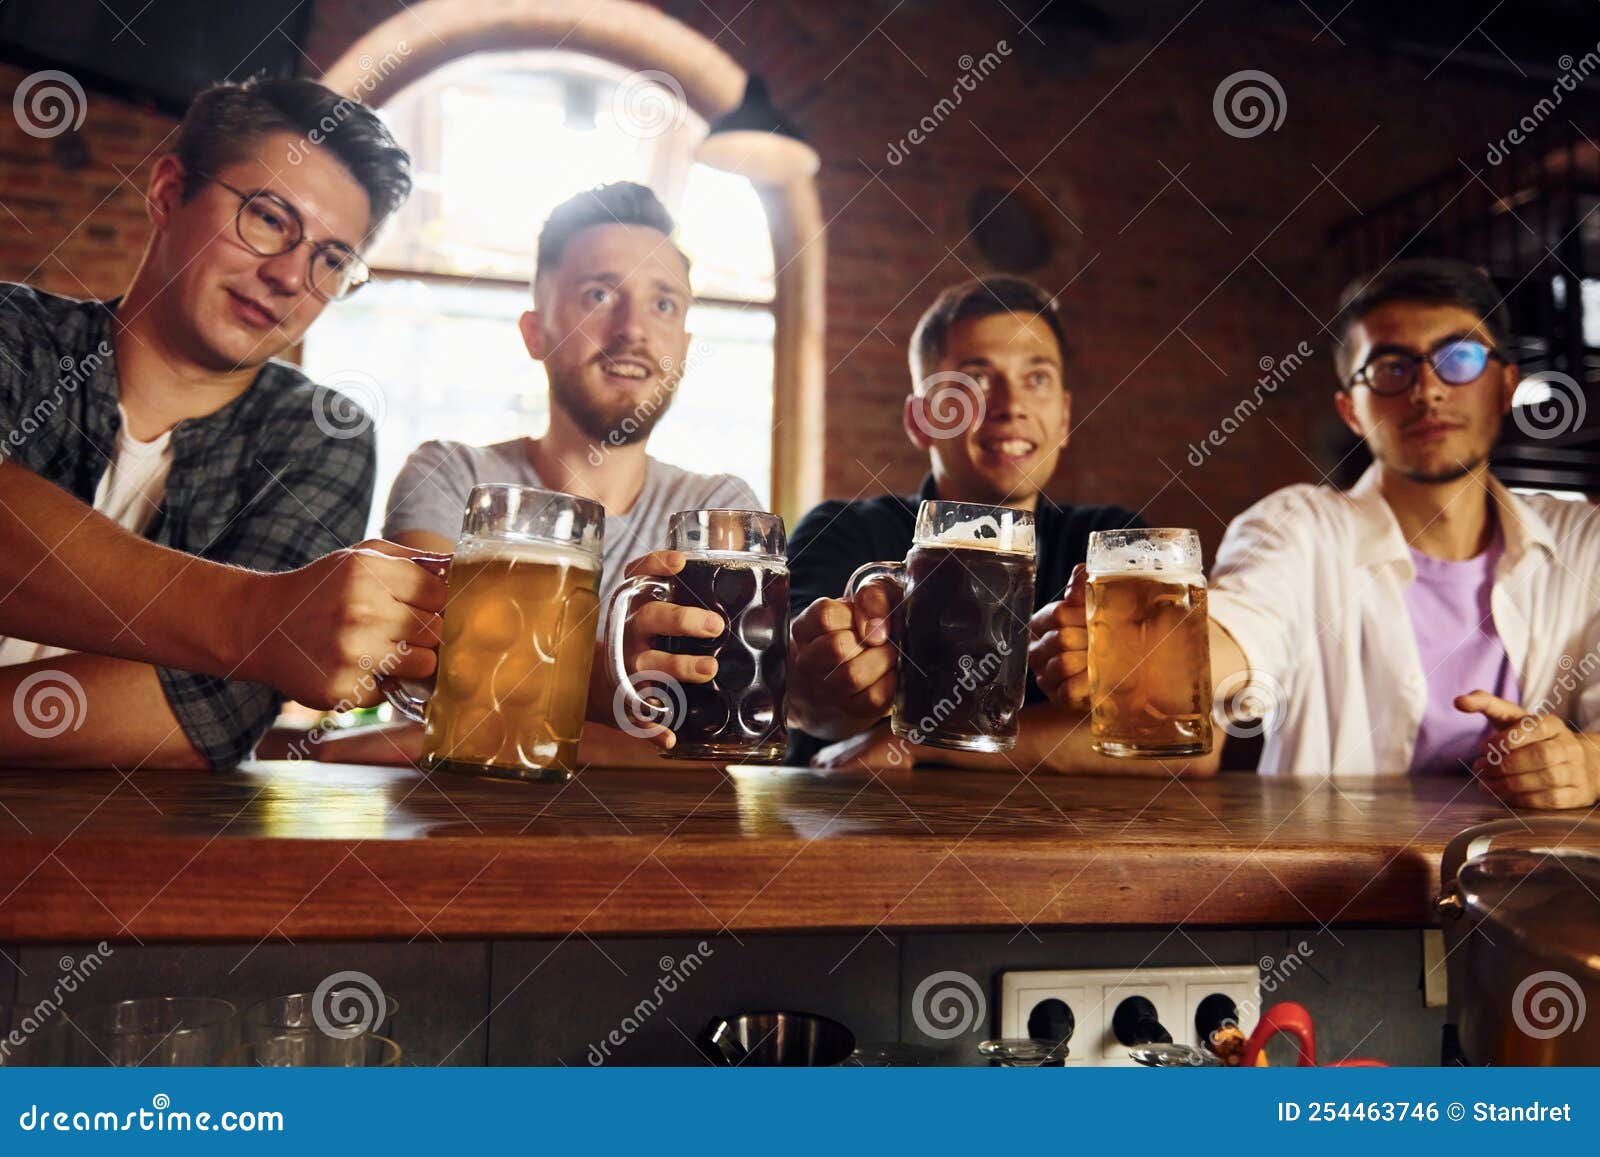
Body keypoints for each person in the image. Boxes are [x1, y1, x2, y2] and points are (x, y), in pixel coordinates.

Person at [1030, 258, 1600, 809]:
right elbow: (1238, 635)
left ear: (1505, 385)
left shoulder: (1584, 540)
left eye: (1459, 357)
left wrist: (1587, 761)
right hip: (1338, 873)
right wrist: (1138, 655)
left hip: (1527, 870)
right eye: (1391, 367)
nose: (1427, 390)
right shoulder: (1298, 529)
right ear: (1351, 409)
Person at [0, 77, 446, 769]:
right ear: (168, 191)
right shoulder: (15, 331)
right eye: (269, 218)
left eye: (331, 259)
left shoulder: (321, 434)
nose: (291, 276)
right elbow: (262, 653)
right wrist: (257, 618)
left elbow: (208, 715)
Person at [362, 181, 761, 764]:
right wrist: (621, 703)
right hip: (455, 817)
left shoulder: (719, 506)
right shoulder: (449, 474)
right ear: (535, 332)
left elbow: (716, 744)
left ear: (684, 344)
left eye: (663, 304)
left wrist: (519, 713)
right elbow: (450, 676)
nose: (633, 329)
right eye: (599, 295)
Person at [786, 275, 1201, 775]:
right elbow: (795, 700)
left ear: (1064, 417)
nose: (1011, 406)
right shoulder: (843, 531)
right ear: (921, 420)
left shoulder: (1113, 546)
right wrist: (826, 686)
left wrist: (917, 743)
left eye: (1037, 378)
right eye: (976, 380)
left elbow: (1185, 741)